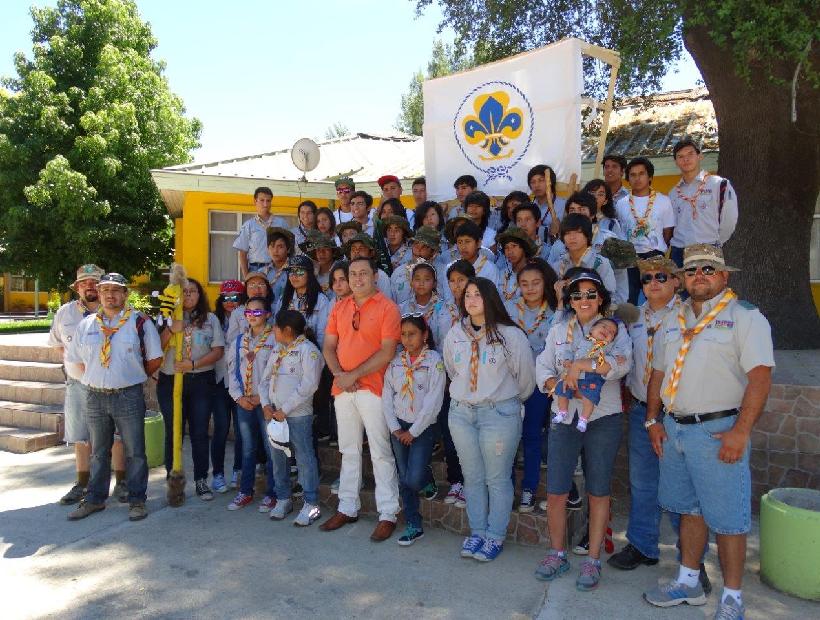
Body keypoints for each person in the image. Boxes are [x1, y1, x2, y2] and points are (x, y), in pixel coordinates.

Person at [642, 245, 774, 620]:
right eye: (692, 270)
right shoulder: (674, 318)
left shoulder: (745, 317)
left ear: (724, 276)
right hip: (674, 429)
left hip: (718, 431)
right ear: (683, 278)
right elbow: (657, 373)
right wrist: (653, 421)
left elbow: (760, 379)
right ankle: (688, 582)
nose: (700, 275)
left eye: (709, 269)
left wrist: (740, 432)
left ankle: (732, 597)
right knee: (689, 510)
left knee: (729, 519)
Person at [607, 256, 707, 582]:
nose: (653, 282)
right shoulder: (632, 318)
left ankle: (692, 561)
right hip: (641, 410)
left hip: (677, 414)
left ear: (677, 282)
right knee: (643, 482)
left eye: (661, 277)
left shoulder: (688, 317)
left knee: (682, 488)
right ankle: (642, 545)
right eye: (647, 277)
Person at [534, 268, 632, 590]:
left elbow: (619, 365)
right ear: (570, 299)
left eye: (591, 294)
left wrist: (583, 367)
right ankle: (557, 553)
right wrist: (555, 384)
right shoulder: (559, 328)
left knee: (598, 490)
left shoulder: (615, 329)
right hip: (565, 417)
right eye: (577, 294)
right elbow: (544, 366)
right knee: (557, 489)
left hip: (603, 418)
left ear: (601, 298)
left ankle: (592, 560)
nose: (584, 299)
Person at [443, 278, 535, 562]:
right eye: (467, 295)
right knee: (472, 477)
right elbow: (452, 369)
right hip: (462, 413)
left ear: (490, 299)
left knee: (496, 478)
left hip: (498, 413)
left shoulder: (510, 335)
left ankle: (495, 536)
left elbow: (526, 381)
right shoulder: (455, 334)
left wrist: (502, 401)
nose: (471, 300)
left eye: (477, 295)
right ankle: (477, 532)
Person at [65, 273, 163, 522]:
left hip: (128, 396)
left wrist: (130, 376)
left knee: (135, 452)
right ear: (99, 293)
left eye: (116, 290)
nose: (110, 294)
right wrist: (97, 378)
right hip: (94, 397)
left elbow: (154, 359)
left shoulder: (140, 323)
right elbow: (75, 359)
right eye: (105, 289)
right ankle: (96, 499)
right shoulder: (87, 325)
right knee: (98, 452)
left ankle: (137, 500)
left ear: (125, 294)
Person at [320, 256, 401, 541]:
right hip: (344, 389)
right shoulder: (339, 307)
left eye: (363, 273)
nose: (357, 279)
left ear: (375, 276)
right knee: (348, 450)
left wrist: (351, 375)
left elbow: (387, 352)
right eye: (352, 274)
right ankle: (347, 507)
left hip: (373, 390)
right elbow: (329, 346)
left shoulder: (388, 308)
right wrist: (340, 375)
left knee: (380, 452)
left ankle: (388, 513)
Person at [50, 264, 128, 504]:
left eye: (94, 281)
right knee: (80, 436)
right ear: (77, 288)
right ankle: (82, 484)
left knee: (115, 435)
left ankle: (122, 483)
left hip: (109, 384)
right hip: (78, 385)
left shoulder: (117, 311)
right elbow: (60, 346)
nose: (89, 286)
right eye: (83, 283)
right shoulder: (65, 313)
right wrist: (73, 368)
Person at [157, 278, 224, 500]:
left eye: (192, 291)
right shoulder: (166, 317)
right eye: (183, 292)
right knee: (173, 432)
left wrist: (193, 364)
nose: (188, 295)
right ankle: (173, 481)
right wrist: (170, 329)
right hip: (170, 382)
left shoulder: (210, 319)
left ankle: (201, 480)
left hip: (200, 381)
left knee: (199, 432)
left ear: (199, 294)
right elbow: (155, 349)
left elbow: (217, 351)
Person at [382, 314, 446, 545]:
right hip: (399, 426)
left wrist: (414, 431)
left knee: (413, 479)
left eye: (413, 334)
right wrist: (395, 428)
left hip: (422, 428)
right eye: (404, 335)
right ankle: (413, 523)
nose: (407, 339)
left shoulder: (434, 362)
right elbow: (387, 396)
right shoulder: (396, 362)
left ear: (425, 335)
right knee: (404, 478)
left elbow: (434, 401)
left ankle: (426, 478)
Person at [504, 259, 559, 512]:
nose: (530, 288)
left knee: (532, 435)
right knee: (507, 436)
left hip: (540, 383)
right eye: (524, 284)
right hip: (511, 381)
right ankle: (505, 488)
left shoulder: (555, 311)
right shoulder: (509, 310)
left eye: (536, 282)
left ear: (545, 283)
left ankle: (529, 489)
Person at [260, 309, 324, 525]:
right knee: (277, 458)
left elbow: (309, 385)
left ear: (286, 330)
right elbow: (264, 379)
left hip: (297, 415)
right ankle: (283, 497)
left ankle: (311, 503)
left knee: (304, 458)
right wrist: (266, 405)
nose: (273, 330)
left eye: (276, 327)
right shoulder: (278, 350)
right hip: (274, 414)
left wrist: (284, 409)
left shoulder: (309, 351)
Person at [226, 295, 279, 512]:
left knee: (270, 448)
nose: (253, 316)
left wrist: (263, 398)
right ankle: (245, 491)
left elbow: (277, 372)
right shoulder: (239, 340)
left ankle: (273, 493)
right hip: (244, 402)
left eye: (258, 312)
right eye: (249, 312)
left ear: (267, 314)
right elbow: (232, 370)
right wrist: (239, 397)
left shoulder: (275, 339)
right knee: (247, 449)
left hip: (266, 402)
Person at [668, 136, 738, 266]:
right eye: (680, 156)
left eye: (690, 154)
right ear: (676, 161)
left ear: (700, 156)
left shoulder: (719, 184)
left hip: (708, 249)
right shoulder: (673, 193)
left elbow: (729, 220)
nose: (686, 159)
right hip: (679, 252)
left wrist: (716, 243)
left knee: (708, 286)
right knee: (681, 287)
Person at [615, 157, 675, 303]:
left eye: (641, 174)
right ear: (628, 178)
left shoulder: (664, 201)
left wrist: (655, 248)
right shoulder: (620, 204)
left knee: (656, 296)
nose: (637, 178)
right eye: (633, 175)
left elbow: (668, 231)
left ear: (650, 177)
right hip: (629, 258)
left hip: (654, 256)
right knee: (630, 297)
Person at [552, 317, 619, 432]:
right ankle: (562, 411)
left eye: (612, 332)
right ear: (592, 329)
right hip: (571, 374)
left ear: (612, 340)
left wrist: (619, 357)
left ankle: (583, 419)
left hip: (591, 377)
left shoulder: (607, 347)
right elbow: (569, 351)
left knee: (589, 398)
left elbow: (613, 357)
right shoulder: (581, 340)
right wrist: (567, 360)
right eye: (604, 327)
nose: (607, 331)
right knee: (561, 390)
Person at [212, 279, 246, 491]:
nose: (230, 302)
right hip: (218, 381)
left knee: (242, 430)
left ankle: (238, 470)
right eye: (226, 298)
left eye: (235, 297)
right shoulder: (211, 319)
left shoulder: (247, 315)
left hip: (241, 380)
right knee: (221, 428)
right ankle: (217, 473)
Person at [550, 214, 618, 306]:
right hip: (565, 316)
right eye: (567, 233)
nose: (572, 237)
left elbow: (610, 296)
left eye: (578, 232)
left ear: (588, 236)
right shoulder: (558, 265)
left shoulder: (600, 264)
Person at [398, 260, 459, 354]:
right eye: (417, 279)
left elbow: (446, 342)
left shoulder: (446, 308)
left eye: (427, 279)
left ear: (434, 283)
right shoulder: (401, 309)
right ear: (411, 282)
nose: (421, 283)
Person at [277, 255, 330, 350]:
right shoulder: (283, 300)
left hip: (311, 354)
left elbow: (323, 335)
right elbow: (277, 331)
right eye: (291, 271)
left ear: (309, 274)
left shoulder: (321, 300)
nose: (294, 276)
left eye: (300, 271)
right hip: (285, 355)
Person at [233, 186, 287, 279]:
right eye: (262, 200)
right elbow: (242, 253)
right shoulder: (249, 225)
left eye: (268, 201)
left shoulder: (281, 223)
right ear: (255, 201)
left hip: (277, 268)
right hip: (255, 269)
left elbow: (288, 249)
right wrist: (246, 277)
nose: (265, 204)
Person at [390, 226, 447, 306]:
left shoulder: (444, 273)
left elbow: (449, 304)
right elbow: (392, 303)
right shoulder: (399, 272)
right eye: (416, 243)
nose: (418, 249)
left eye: (424, 246)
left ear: (434, 252)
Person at [226, 272, 275, 345]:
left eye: (261, 284)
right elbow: (231, 341)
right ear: (245, 290)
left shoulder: (276, 309)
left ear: (268, 290)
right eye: (251, 285)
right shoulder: (237, 313)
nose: (256, 289)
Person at [343, 232, 392, 298]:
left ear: (371, 253)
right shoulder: (344, 274)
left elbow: (387, 303)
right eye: (353, 249)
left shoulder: (381, 276)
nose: (356, 252)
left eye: (361, 249)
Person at [496, 226, 537, 303]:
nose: (510, 252)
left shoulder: (535, 273)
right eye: (506, 247)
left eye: (514, 246)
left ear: (524, 247)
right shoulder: (501, 274)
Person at [453, 221, 500, 286]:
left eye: (467, 241)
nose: (463, 247)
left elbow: (492, 295)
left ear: (478, 243)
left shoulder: (490, 269)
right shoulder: (452, 267)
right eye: (460, 242)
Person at [528, 164, 566, 237]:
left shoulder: (564, 205)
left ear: (550, 182)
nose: (537, 185)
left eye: (541, 180)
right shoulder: (528, 206)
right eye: (533, 182)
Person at [262, 227, 294, 302]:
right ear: (267, 249)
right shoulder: (262, 272)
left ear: (288, 249)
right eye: (272, 246)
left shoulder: (294, 271)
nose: (275, 251)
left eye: (280, 246)